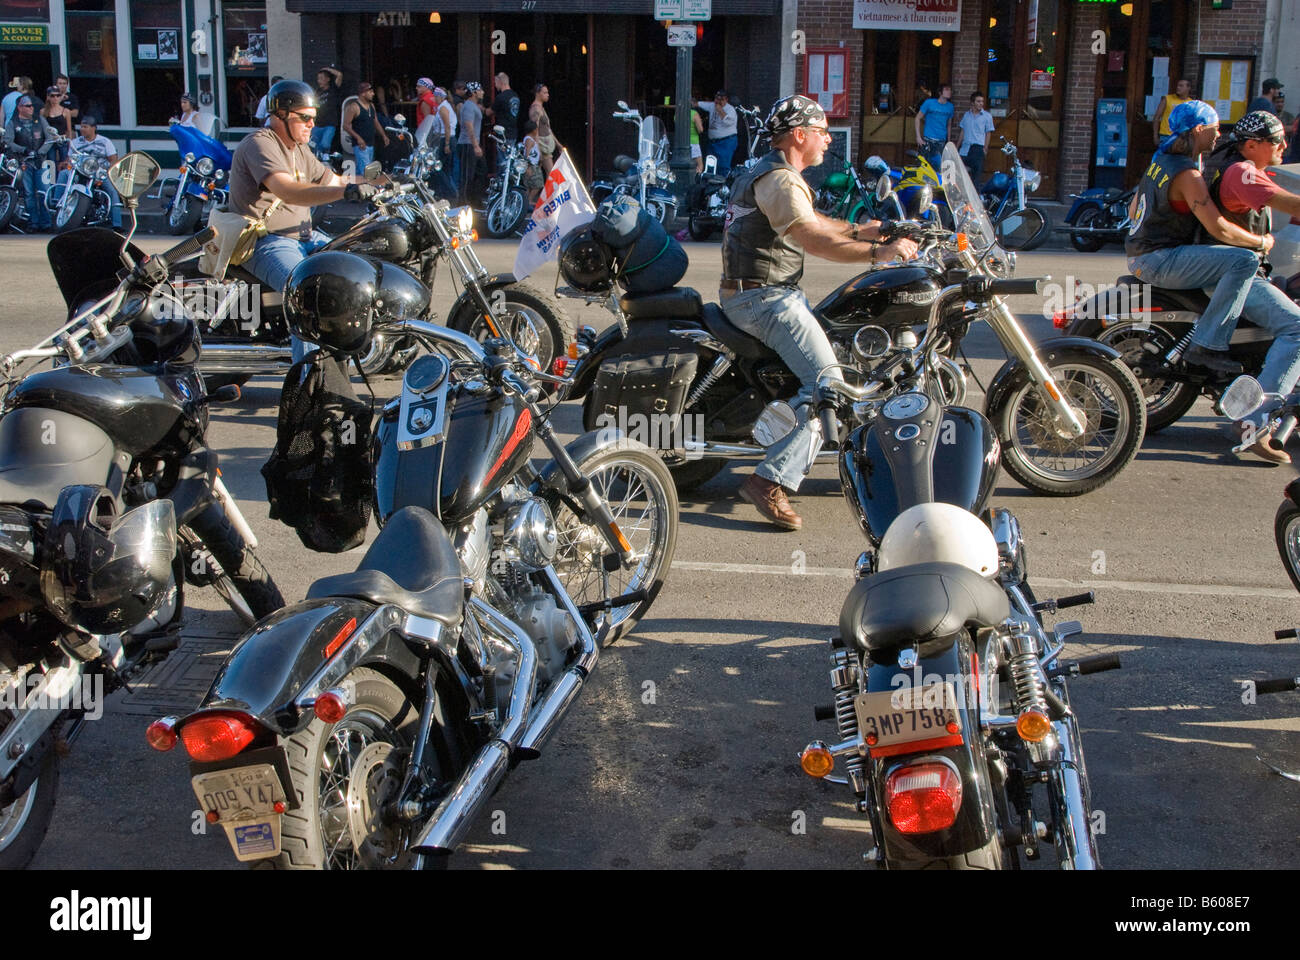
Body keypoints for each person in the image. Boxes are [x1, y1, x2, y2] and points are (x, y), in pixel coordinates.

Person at [720, 95, 919, 530]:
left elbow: (813, 221)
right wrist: (878, 252)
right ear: (799, 135)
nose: (829, 140)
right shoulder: (779, 179)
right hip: (764, 299)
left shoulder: (773, 174)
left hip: (763, 293)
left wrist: (861, 228)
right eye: (823, 131)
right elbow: (811, 237)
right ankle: (769, 480)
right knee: (827, 382)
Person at [228, 79, 376, 361]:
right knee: (306, 294)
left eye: (313, 119)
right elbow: (288, 190)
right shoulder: (260, 144)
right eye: (305, 118)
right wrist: (346, 191)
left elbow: (334, 179)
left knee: (357, 262)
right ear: (279, 115)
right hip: (266, 241)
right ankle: (308, 383)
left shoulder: (299, 149)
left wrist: (382, 182)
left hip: (305, 236)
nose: (311, 125)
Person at [1125, 100, 1272, 379]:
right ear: (1199, 129)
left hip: (1139, 255)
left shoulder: (1160, 160)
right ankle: (1208, 345)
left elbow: (1134, 209)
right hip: (1160, 259)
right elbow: (1220, 229)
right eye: (1215, 128)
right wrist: (1260, 242)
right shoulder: (1187, 174)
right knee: (1244, 260)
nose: (1220, 134)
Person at [1197, 110, 1300, 462]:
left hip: (1231, 269)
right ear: (1253, 145)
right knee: (1298, 328)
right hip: (1237, 275)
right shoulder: (1242, 174)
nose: (1285, 144)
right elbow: (1289, 202)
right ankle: (1255, 422)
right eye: (1277, 140)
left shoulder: (1240, 167)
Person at [2, 95, 58, 231]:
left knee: (44, 192)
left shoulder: (41, 120)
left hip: (40, 162)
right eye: (27, 106)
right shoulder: (13, 123)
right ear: (20, 108)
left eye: (32, 105)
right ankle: (33, 223)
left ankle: (46, 223)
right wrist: (23, 150)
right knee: (29, 193)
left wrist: (41, 152)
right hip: (24, 162)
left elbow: (50, 138)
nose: (31, 108)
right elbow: (8, 141)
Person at [65, 116, 120, 227]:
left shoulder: (105, 142)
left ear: (94, 128)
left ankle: (117, 223)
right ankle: (58, 204)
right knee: (63, 174)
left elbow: (113, 160)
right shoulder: (75, 142)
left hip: (99, 173)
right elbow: (70, 159)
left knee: (112, 191)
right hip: (80, 172)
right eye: (81, 127)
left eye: (85, 127)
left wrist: (107, 173)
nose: (82, 129)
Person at [343, 81, 389, 173]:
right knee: (367, 172)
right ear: (363, 93)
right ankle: (361, 186)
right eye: (370, 92)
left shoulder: (371, 106)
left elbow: (375, 122)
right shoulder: (354, 107)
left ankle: (353, 185)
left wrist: (384, 135)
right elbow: (346, 125)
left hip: (370, 143)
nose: (373, 94)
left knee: (362, 170)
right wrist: (358, 138)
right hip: (361, 145)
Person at [697, 90, 739, 176]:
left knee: (723, 166)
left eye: (721, 99)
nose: (718, 101)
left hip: (726, 141)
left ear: (726, 100)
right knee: (711, 165)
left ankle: (722, 186)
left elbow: (728, 122)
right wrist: (694, 103)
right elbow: (702, 104)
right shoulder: (712, 106)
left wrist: (720, 111)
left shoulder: (730, 109)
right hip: (713, 142)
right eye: (717, 98)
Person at [457, 80, 485, 203]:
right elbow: (469, 126)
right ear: (474, 93)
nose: (482, 92)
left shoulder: (472, 105)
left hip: (473, 143)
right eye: (480, 90)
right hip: (467, 144)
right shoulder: (468, 106)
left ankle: (475, 199)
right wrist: (475, 145)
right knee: (467, 175)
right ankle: (463, 201)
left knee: (481, 172)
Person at [487, 72, 520, 174]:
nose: (494, 85)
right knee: (510, 160)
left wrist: (481, 108)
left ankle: (502, 185)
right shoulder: (516, 96)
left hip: (503, 135)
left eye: (495, 82)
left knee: (503, 162)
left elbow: (489, 112)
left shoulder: (500, 97)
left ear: (500, 82)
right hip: (513, 133)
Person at [915, 83, 955, 167]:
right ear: (940, 92)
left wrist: (948, 141)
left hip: (941, 141)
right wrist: (918, 137)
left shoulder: (950, 107)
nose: (949, 92)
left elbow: (949, 124)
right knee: (923, 165)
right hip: (928, 140)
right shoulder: (929, 103)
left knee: (938, 167)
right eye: (946, 90)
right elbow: (918, 118)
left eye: (950, 90)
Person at [957, 91, 995, 177]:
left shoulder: (987, 116)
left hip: (977, 148)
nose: (981, 103)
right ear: (972, 103)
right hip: (965, 149)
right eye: (978, 101)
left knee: (976, 176)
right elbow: (963, 131)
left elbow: (988, 133)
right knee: (961, 176)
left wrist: (985, 148)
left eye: (982, 101)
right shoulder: (966, 115)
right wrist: (957, 146)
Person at [529, 82, 559, 176]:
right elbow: (535, 130)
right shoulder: (536, 109)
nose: (548, 95)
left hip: (546, 145)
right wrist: (537, 148)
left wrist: (558, 144)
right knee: (551, 174)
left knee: (544, 175)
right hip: (542, 146)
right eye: (545, 93)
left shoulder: (541, 107)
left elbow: (548, 128)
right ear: (538, 94)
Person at [311, 67, 343, 154]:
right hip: (317, 124)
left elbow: (339, 75)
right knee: (312, 145)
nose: (319, 81)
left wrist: (327, 69)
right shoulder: (317, 92)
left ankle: (324, 158)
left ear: (328, 79)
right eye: (318, 79)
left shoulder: (333, 89)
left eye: (321, 78)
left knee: (325, 144)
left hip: (330, 124)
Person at [520, 118, 544, 207]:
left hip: (535, 165)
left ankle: (525, 202)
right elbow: (527, 153)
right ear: (533, 130)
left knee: (530, 186)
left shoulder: (531, 139)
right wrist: (528, 166)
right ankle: (529, 200)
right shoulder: (529, 140)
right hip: (531, 166)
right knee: (538, 184)